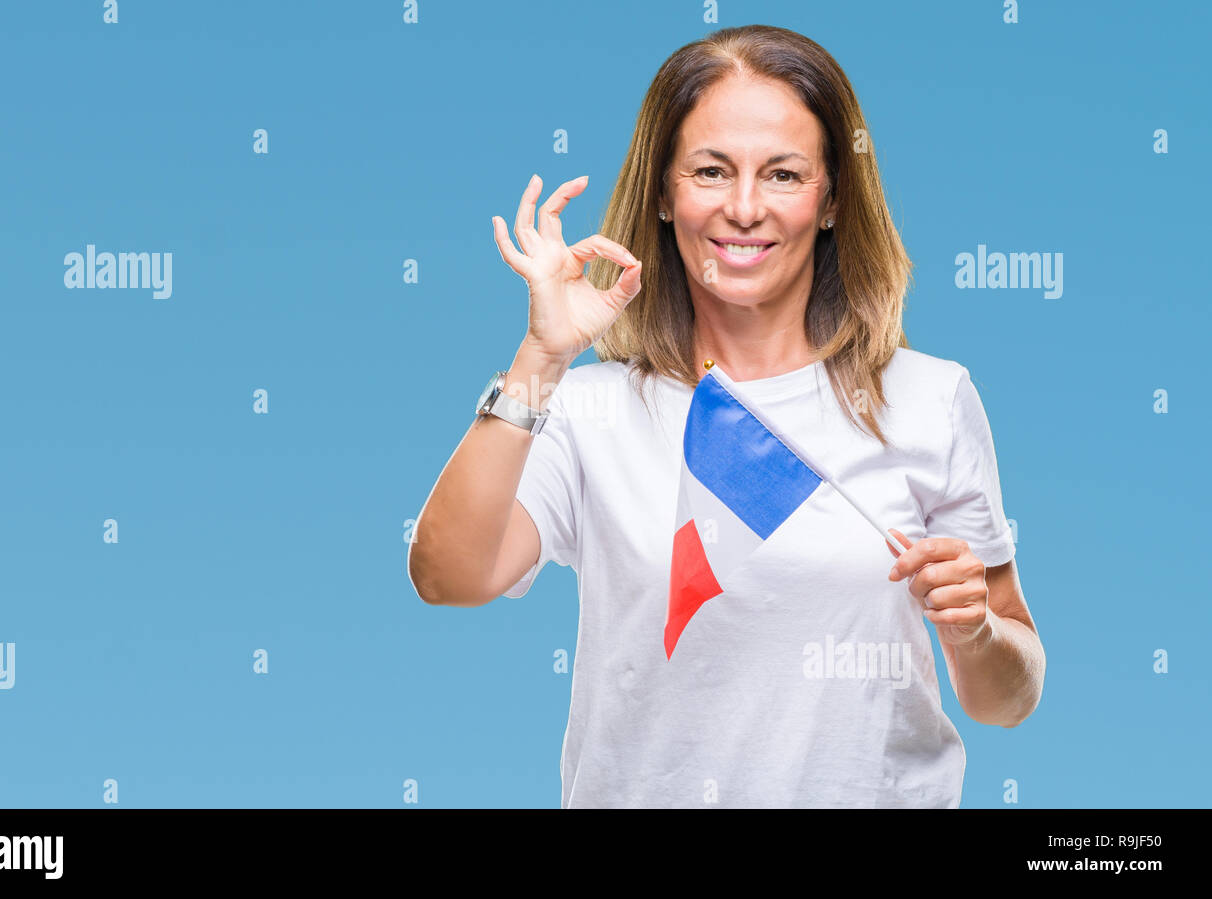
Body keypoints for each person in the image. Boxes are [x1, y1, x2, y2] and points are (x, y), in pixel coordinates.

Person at [407, 24, 1045, 809]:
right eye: (711, 170)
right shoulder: (590, 408)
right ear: (666, 196)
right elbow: (447, 575)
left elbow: (1005, 699)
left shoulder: (931, 400)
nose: (745, 208)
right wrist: (540, 358)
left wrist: (974, 630)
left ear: (832, 197)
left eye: (782, 174)